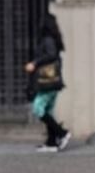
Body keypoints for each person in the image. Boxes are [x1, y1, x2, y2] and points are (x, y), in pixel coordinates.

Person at [25, 13, 71, 152]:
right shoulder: (53, 39)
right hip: (53, 81)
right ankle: (52, 142)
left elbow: (51, 55)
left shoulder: (47, 39)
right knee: (48, 111)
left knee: (38, 108)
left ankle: (62, 133)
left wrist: (35, 63)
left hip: (47, 81)